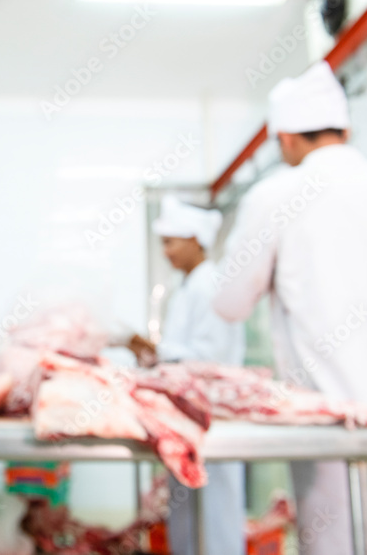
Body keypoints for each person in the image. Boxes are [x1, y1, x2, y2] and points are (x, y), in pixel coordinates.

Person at [213, 61, 367, 555]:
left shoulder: (276, 194)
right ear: (345, 129)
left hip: (336, 440)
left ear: (285, 139)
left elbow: (229, 302)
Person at [134, 196, 246, 555]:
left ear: (195, 240)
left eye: (170, 242)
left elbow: (208, 358)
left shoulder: (208, 285)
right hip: (191, 414)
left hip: (212, 412)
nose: (166, 252)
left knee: (216, 512)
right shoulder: (189, 286)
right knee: (190, 510)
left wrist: (159, 353)